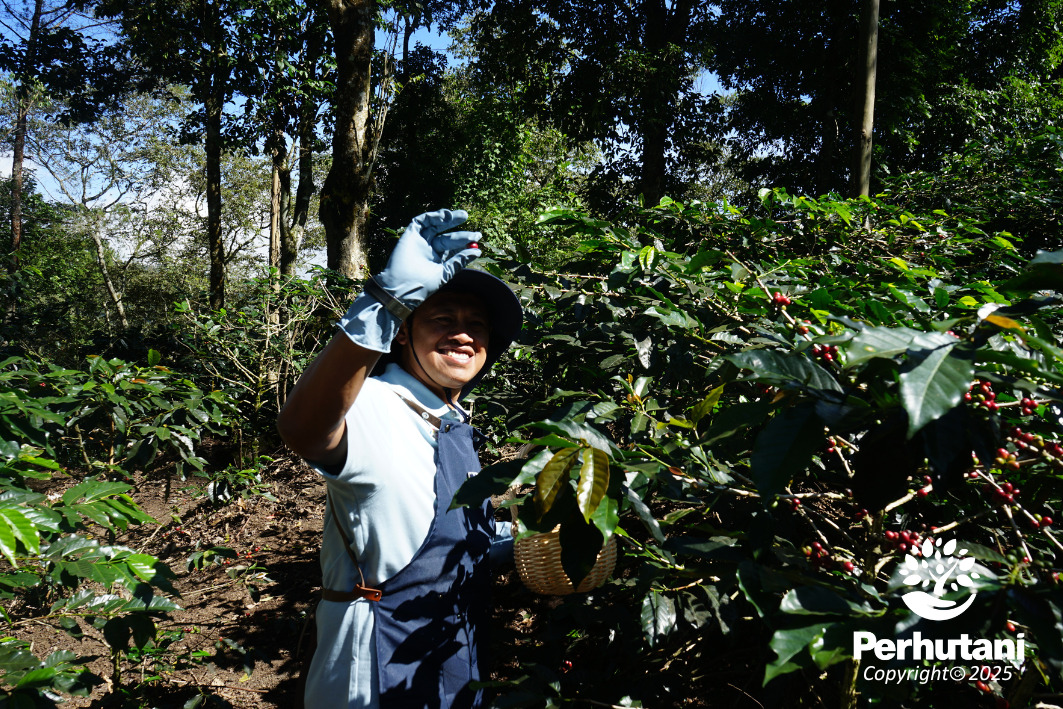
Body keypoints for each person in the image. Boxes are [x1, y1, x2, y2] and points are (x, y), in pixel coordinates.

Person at [277, 209, 522, 709]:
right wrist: (383, 303)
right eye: (441, 319)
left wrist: (524, 544)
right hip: (378, 666)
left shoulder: (451, 420)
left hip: (452, 657)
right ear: (404, 333)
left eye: (477, 325)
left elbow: (444, 545)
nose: (463, 334)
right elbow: (304, 429)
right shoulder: (375, 403)